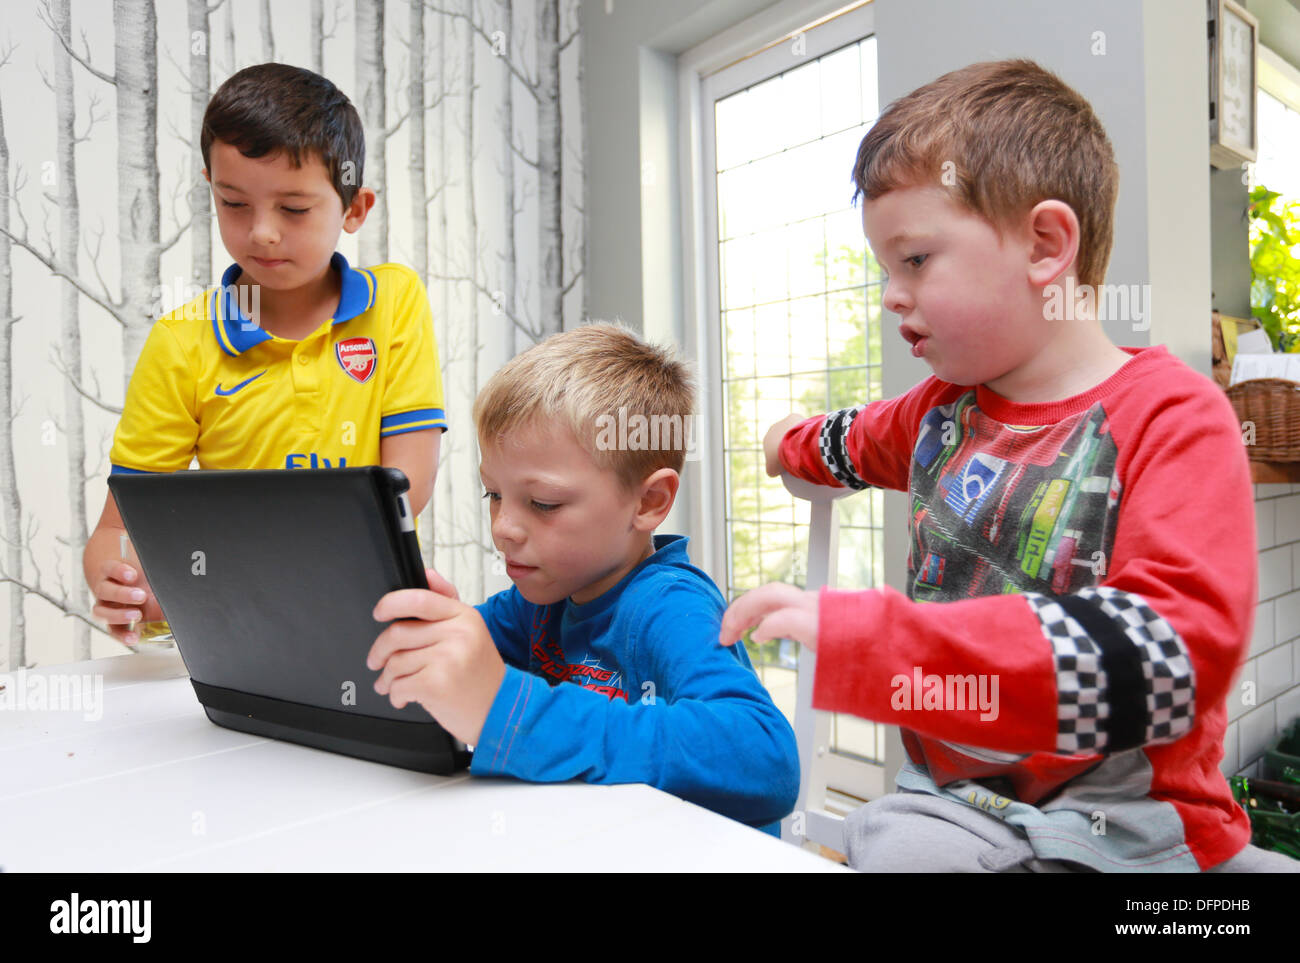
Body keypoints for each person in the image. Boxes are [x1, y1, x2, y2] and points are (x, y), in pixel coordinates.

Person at [720, 59, 1297, 871]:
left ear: (1045, 245)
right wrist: (787, 441)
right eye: (886, 268)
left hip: (1134, 825)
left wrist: (886, 643)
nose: (890, 295)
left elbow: (1173, 655)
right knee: (899, 847)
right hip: (958, 807)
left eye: (915, 260)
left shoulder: (1176, 416)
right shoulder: (937, 411)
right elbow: (845, 440)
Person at [367, 324, 800, 834]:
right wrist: (430, 637)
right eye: (494, 495)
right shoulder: (539, 600)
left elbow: (765, 757)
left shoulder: (671, 607)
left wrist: (513, 712)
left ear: (649, 501)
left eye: (543, 503)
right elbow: (461, 672)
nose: (503, 527)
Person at [84, 64, 446, 647]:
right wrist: (121, 578)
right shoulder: (181, 341)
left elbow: (406, 485)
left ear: (354, 209)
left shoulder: (394, 302)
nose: (262, 233)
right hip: (238, 634)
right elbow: (118, 529)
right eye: (234, 203)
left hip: (375, 625)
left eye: (294, 209)